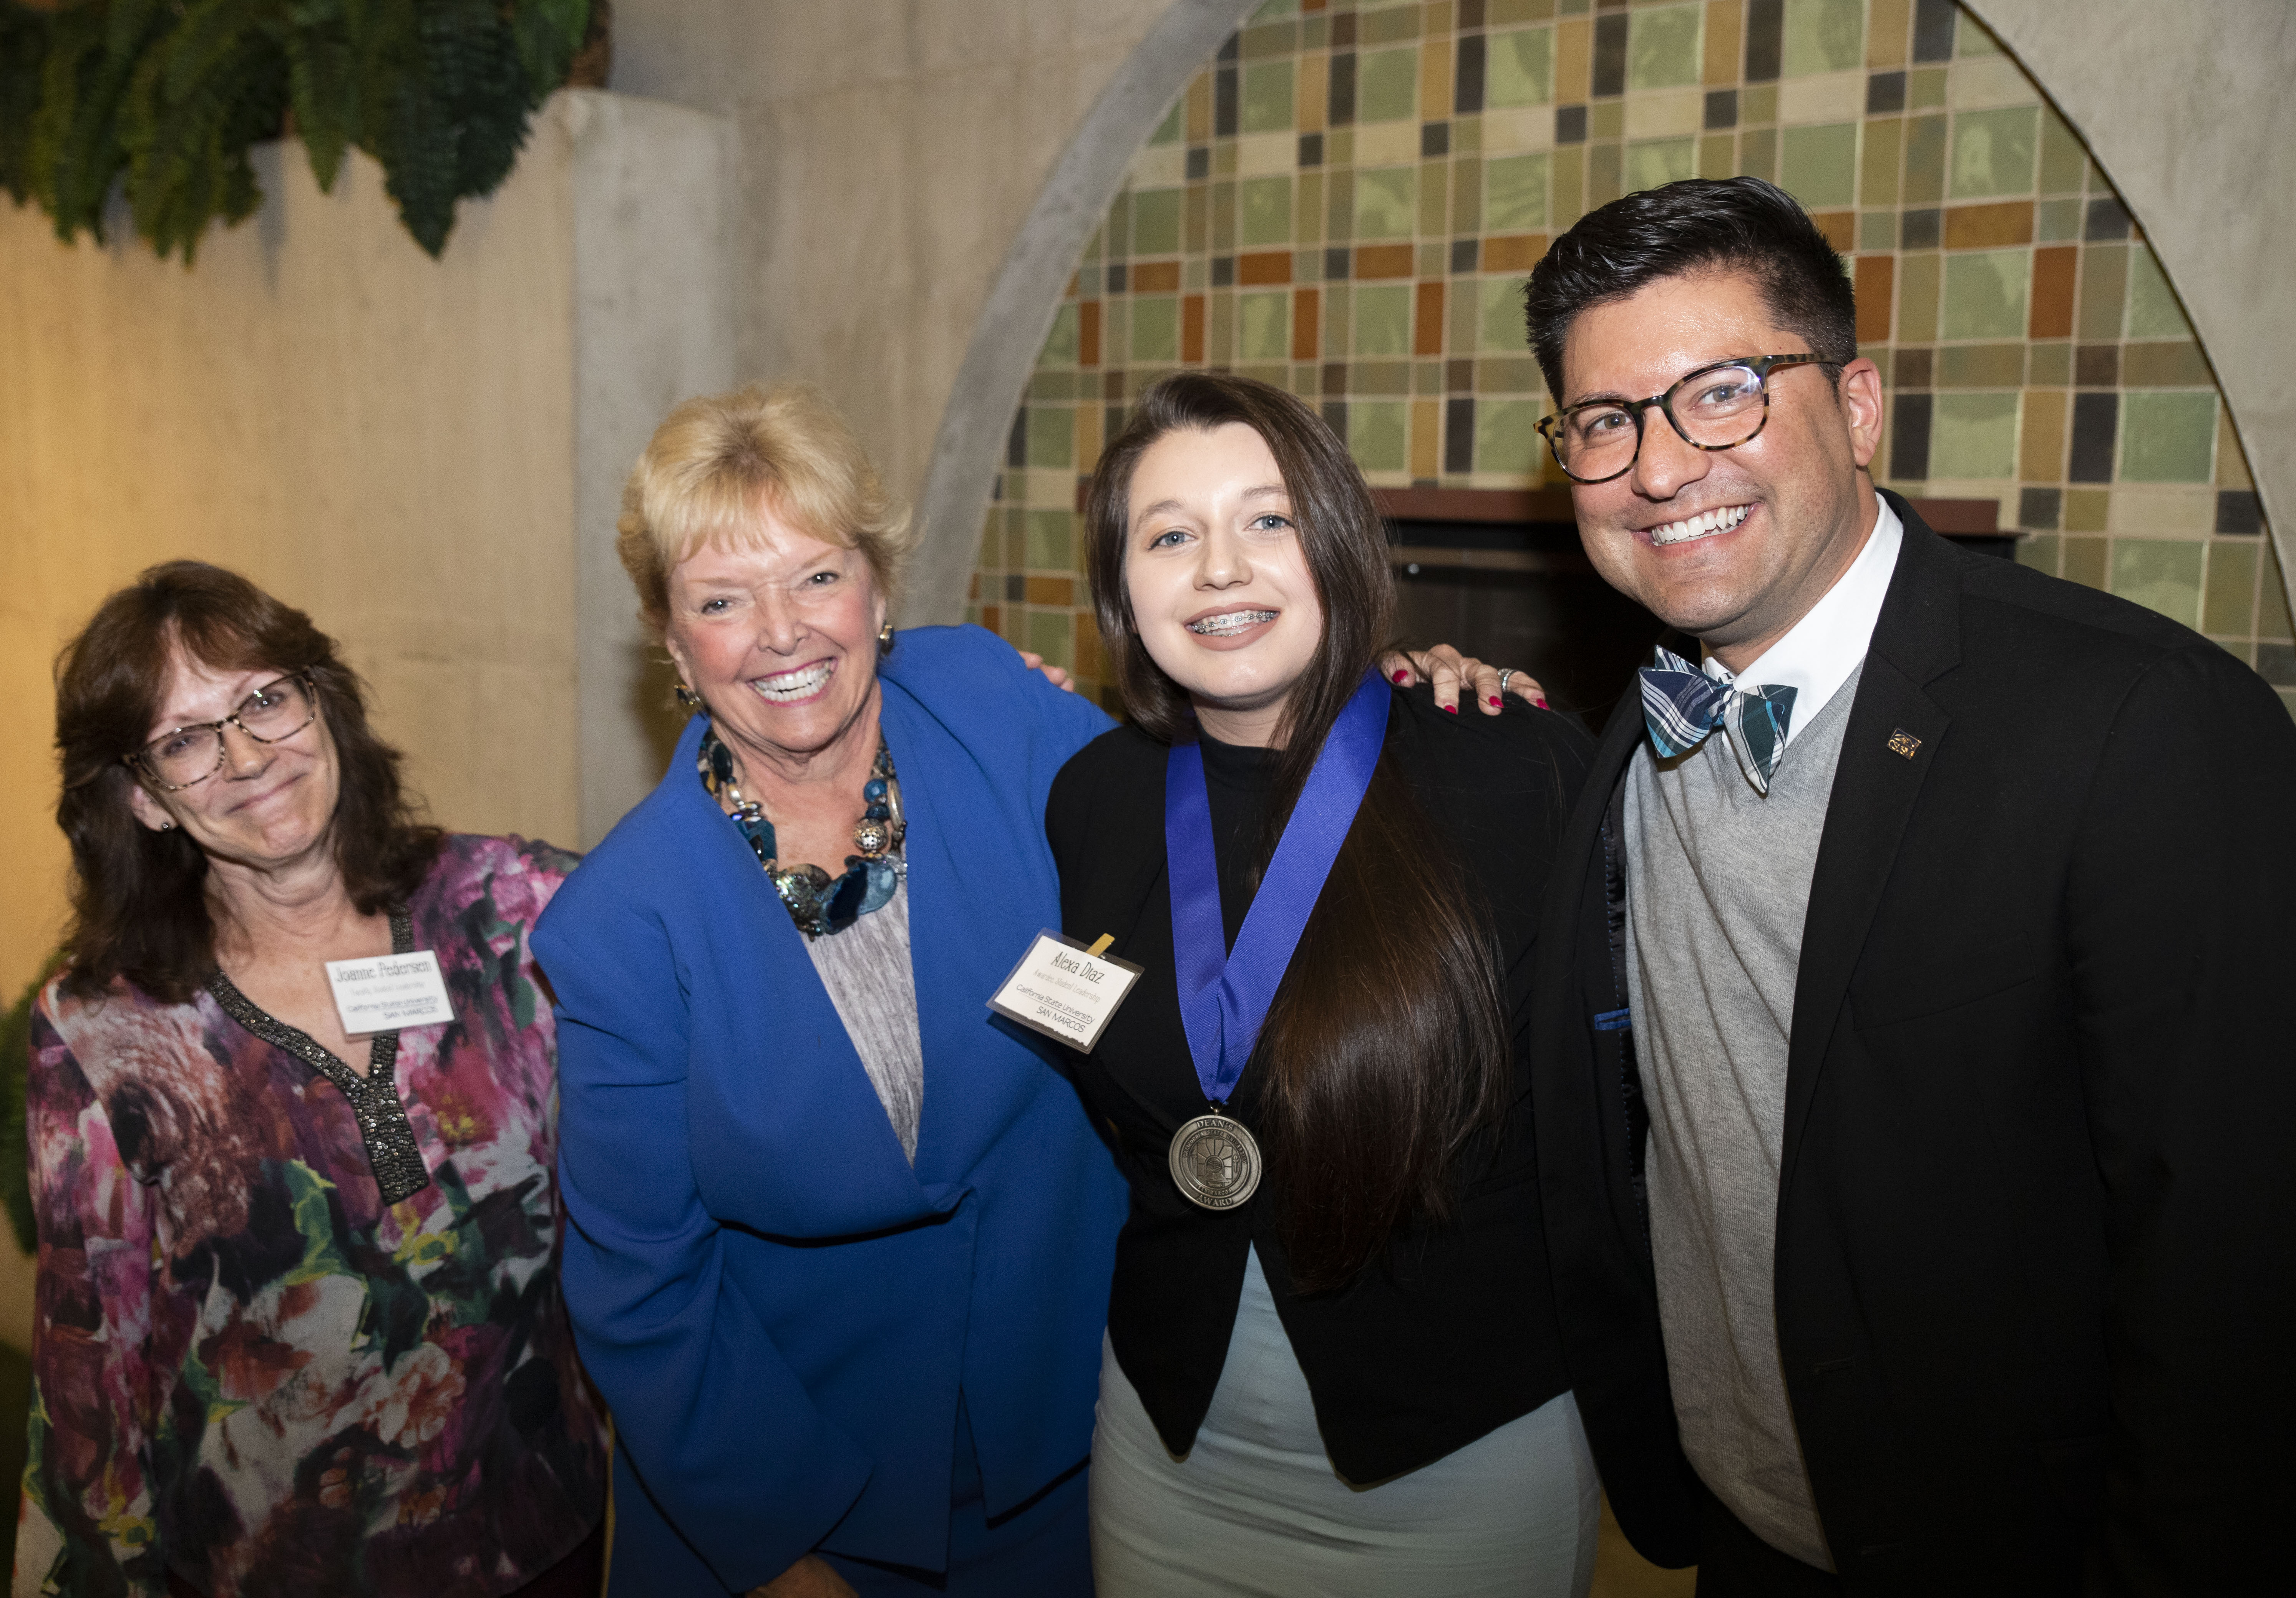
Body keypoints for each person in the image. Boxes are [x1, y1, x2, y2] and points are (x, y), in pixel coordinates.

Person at [533, 382, 1516, 1598]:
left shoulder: (994, 709)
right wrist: (780, 1556)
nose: (783, 633)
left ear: (881, 592)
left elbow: (1220, 807)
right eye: (723, 602)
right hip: (784, 1485)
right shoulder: (622, 924)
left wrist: (1393, 706)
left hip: (1058, 1446)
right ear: (673, 644)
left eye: (817, 578)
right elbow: (640, 1286)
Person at [1520, 175, 2296, 1593]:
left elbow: (2237, 1277)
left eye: (1723, 394)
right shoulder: (1622, 742)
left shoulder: (2146, 726)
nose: (1662, 468)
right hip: (1738, 1528)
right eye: (1605, 422)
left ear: (1859, 408)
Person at [1046, 371, 1598, 1596]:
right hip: (1170, 1443)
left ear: (1338, 545)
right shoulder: (1095, 800)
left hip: (1456, 1457)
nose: (1220, 569)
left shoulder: (1521, 777)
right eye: (1170, 535)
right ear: (1124, 593)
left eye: (1268, 520)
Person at [17, 562, 607, 1598]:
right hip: (268, 1568)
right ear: (144, 800)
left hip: (538, 1531)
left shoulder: (511, 911)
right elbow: (91, 1357)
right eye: (185, 740)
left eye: (263, 700)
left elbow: (717, 925)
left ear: (321, 701)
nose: (247, 755)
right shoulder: (105, 1027)